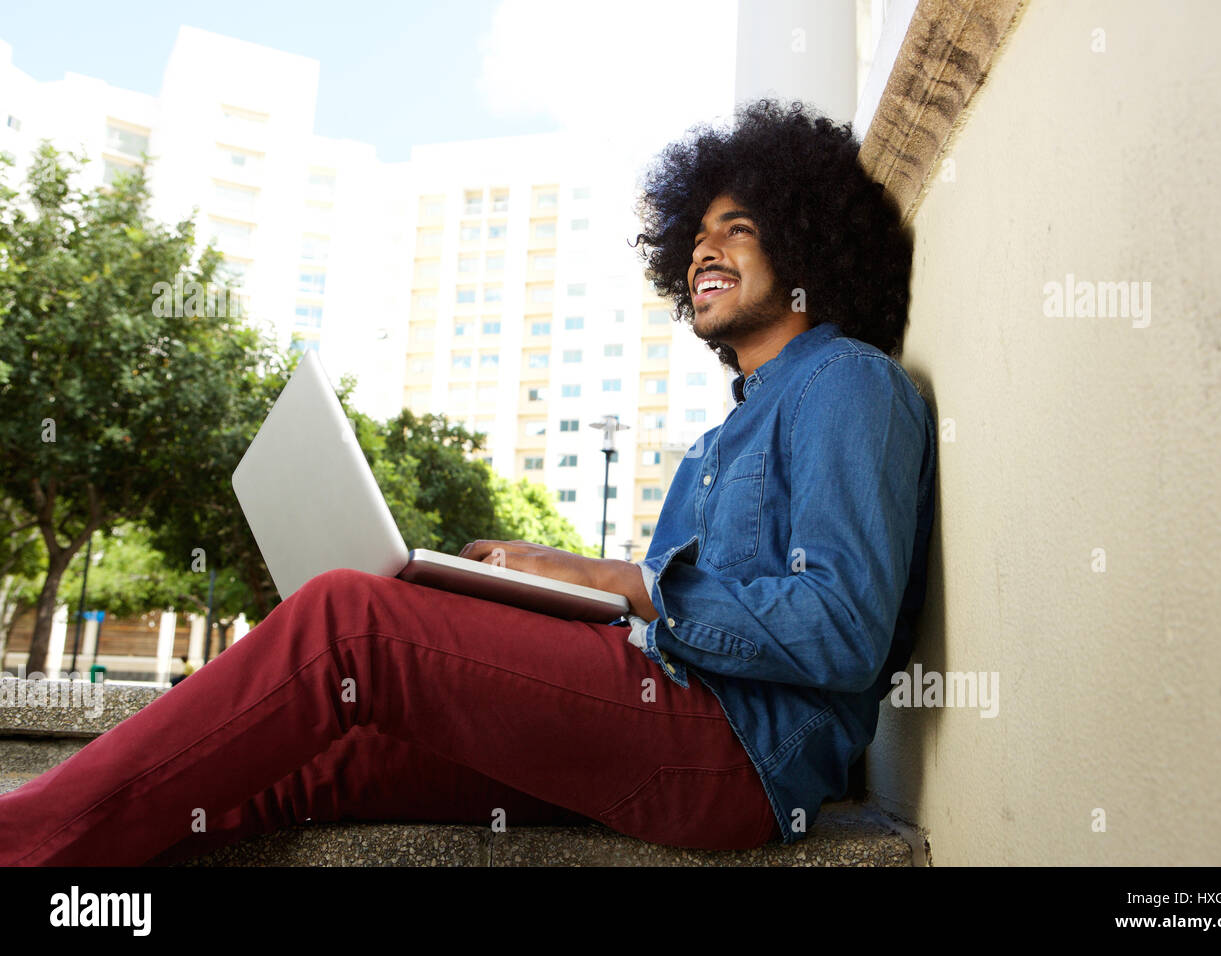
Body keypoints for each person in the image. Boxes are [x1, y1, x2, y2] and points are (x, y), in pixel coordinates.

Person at [0, 98, 935, 866]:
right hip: (663, 718)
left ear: (810, 251)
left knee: (351, 622)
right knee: (329, 758)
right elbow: (672, 621)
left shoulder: (847, 380)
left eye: (737, 228)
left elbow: (843, 628)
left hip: (730, 752)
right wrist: (525, 597)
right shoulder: (724, 434)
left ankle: (20, 837)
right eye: (693, 235)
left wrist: (613, 578)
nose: (701, 250)